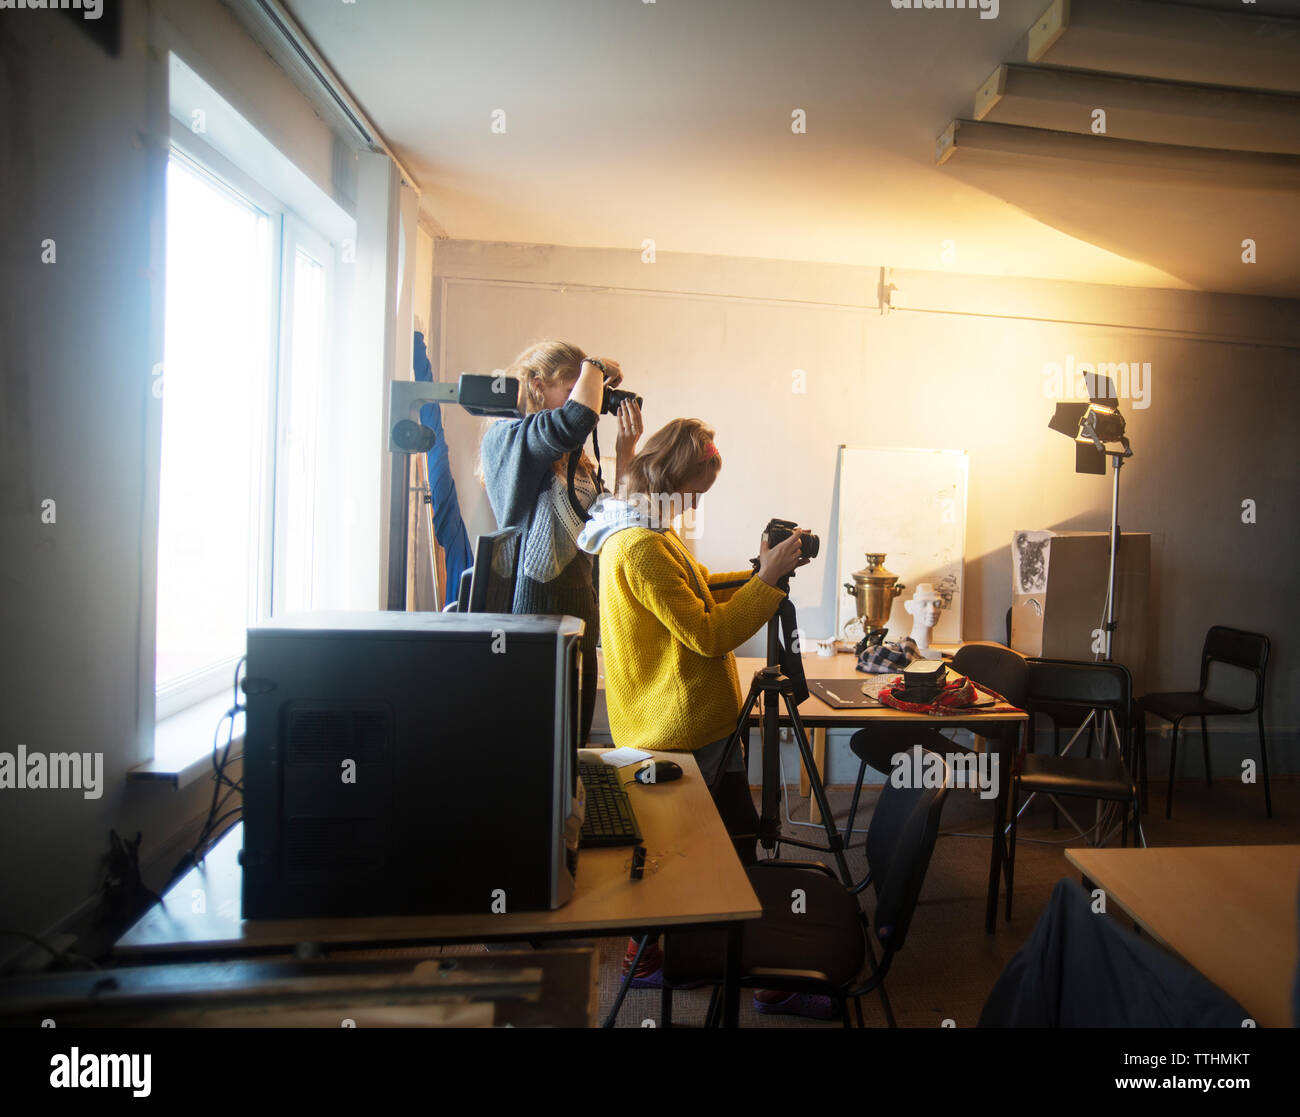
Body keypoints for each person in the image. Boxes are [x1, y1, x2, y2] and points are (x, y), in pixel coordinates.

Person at [578, 420, 828, 1017]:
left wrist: (758, 569)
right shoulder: (641, 547)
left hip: (672, 723)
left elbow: (697, 590)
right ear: (670, 479)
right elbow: (709, 634)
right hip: (686, 730)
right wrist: (767, 580)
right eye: (695, 491)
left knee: (671, 852)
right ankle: (770, 971)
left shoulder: (638, 532)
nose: (695, 506)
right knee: (736, 853)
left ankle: (655, 955)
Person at [479, 341, 642, 746]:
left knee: (575, 734)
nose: (586, 399)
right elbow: (573, 420)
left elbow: (611, 520)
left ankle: (575, 808)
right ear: (536, 384)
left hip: (578, 602)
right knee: (537, 734)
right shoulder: (510, 437)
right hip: (535, 606)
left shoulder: (575, 458)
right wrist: (597, 367)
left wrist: (625, 452)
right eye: (574, 387)